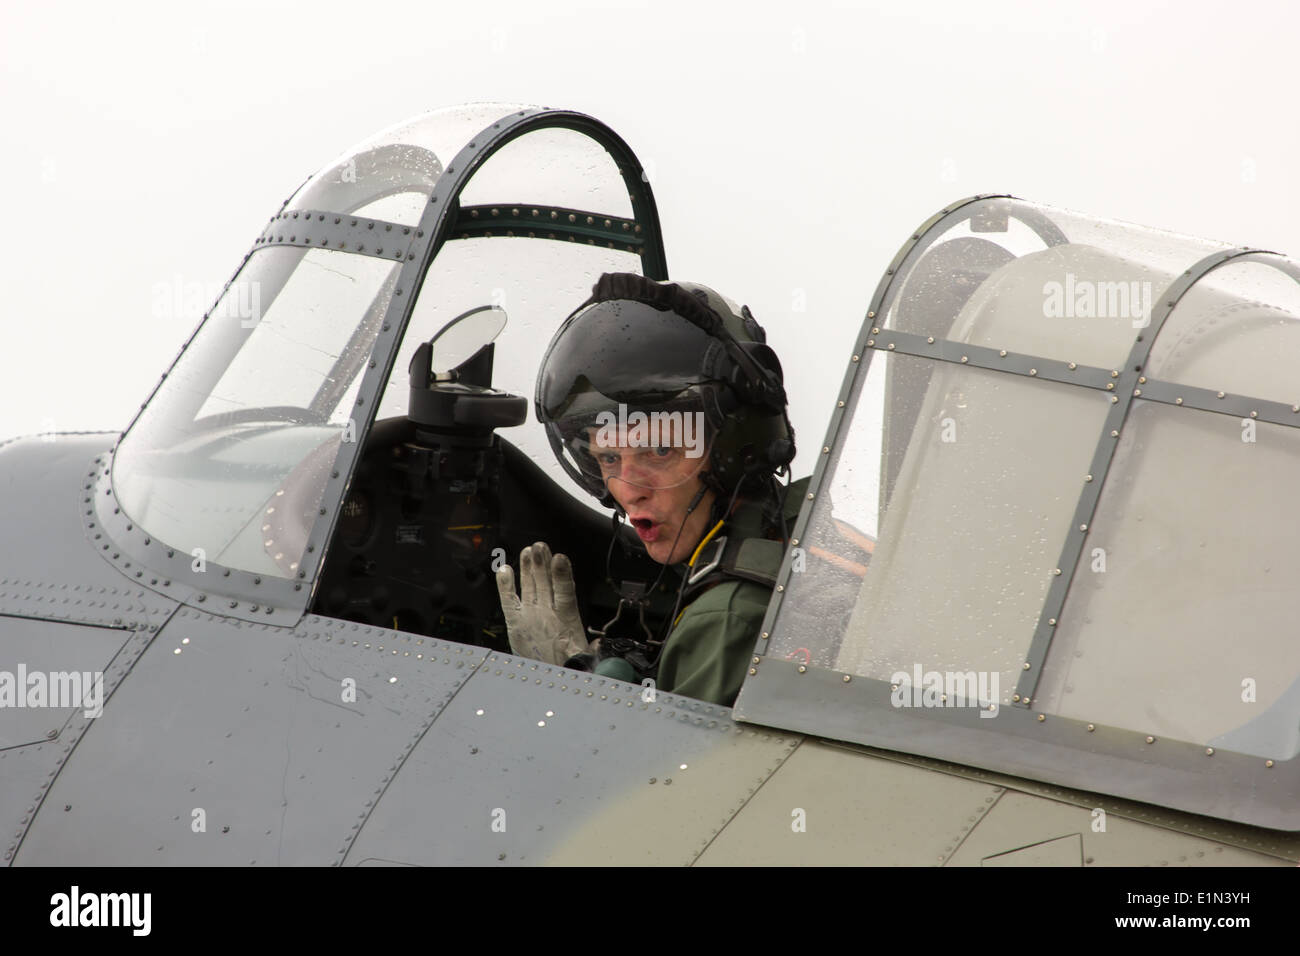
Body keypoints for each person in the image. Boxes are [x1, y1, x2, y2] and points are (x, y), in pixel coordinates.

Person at [495, 272, 806, 707]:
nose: (628, 490)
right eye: (608, 459)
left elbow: (666, 772)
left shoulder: (729, 618)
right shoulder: (804, 519)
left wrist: (569, 683)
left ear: (734, 445)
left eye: (659, 452)